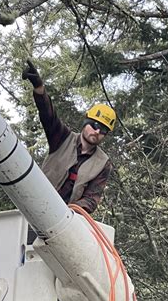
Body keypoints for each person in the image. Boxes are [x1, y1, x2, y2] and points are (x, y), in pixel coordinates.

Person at [22, 59, 115, 215]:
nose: (97, 131)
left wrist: (70, 211)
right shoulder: (63, 138)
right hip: (36, 208)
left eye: (104, 130)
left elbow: (92, 199)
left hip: (66, 220)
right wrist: (39, 88)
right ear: (86, 122)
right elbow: (48, 115)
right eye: (95, 125)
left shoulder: (103, 163)